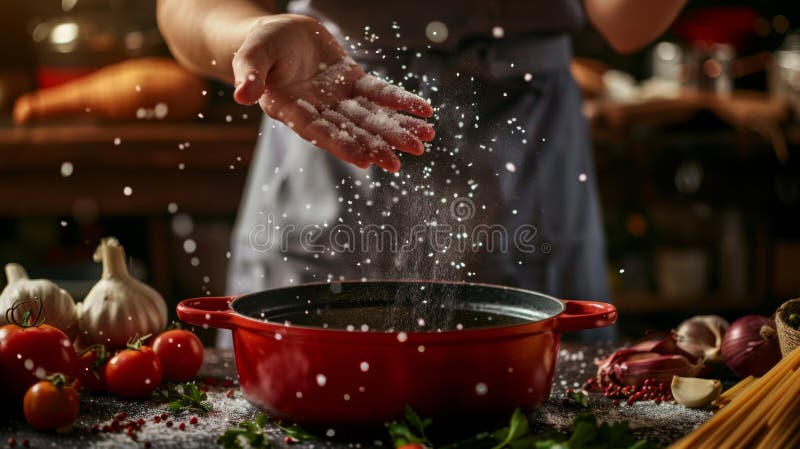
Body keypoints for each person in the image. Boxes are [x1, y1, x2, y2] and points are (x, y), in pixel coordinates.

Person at [157, 0, 686, 344]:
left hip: (527, 150)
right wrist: (254, 34)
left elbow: (627, 20)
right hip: (326, 101)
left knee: (539, 419)